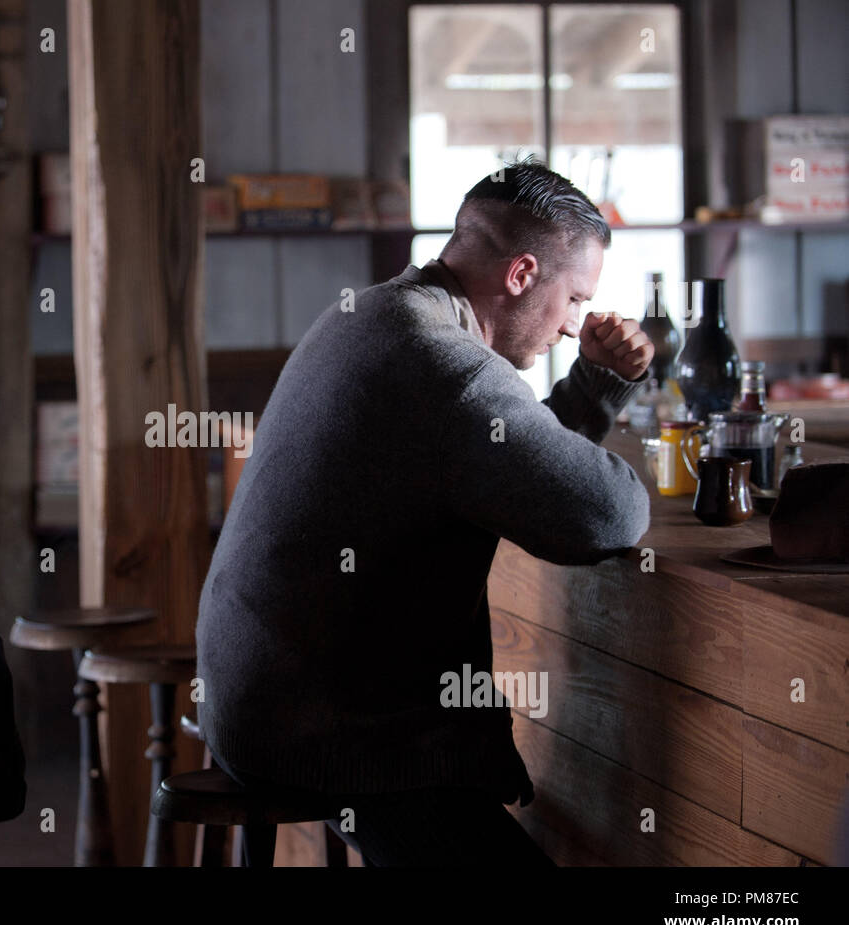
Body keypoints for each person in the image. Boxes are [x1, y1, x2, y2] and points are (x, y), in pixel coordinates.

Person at [195, 161, 653, 866]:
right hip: (326, 730)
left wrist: (594, 382)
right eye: (574, 299)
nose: (572, 327)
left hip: (262, 698)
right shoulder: (442, 363)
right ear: (523, 274)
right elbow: (604, 515)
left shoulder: (385, 311)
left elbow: (500, 459)